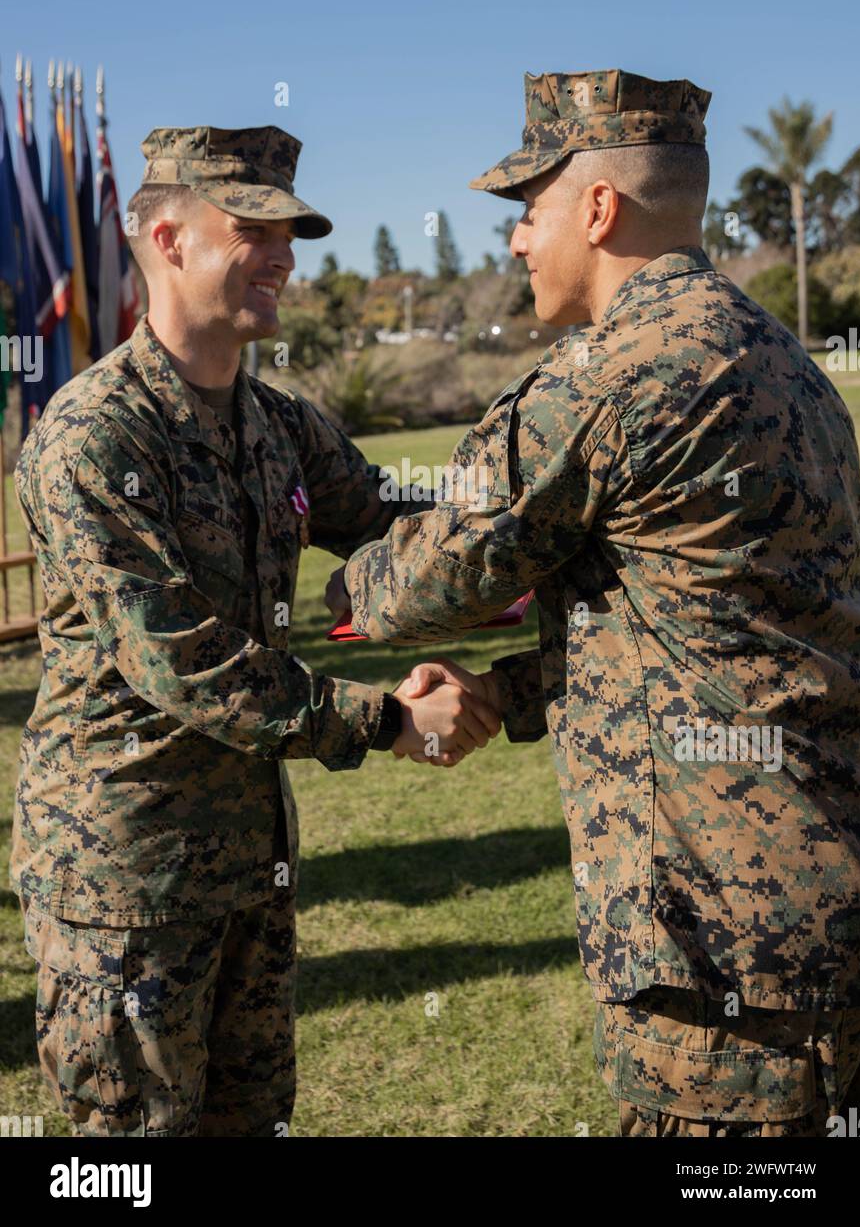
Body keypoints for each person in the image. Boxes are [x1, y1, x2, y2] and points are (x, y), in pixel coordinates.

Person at [328, 69, 860, 1137]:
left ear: (596, 208)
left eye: (526, 212)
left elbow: (426, 580)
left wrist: (301, 555)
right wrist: (513, 688)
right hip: (820, 905)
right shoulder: (785, 364)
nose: (517, 243)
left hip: (719, 952)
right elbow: (722, 626)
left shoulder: (607, 376)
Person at [12, 124, 499, 1137]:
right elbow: (176, 657)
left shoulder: (278, 422)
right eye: (255, 226)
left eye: (293, 231)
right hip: (124, 885)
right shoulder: (92, 432)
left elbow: (397, 522)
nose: (283, 252)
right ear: (167, 238)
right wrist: (379, 719)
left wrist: (532, 532)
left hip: (249, 872)